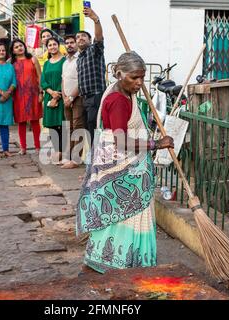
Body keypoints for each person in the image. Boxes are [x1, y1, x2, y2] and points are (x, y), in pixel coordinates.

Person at [76, 52, 175, 274]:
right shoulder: (118, 99)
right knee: (127, 216)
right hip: (124, 172)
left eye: (142, 77)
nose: (139, 83)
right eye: (134, 78)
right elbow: (120, 141)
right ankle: (125, 265)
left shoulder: (118, 91)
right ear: (119, 74)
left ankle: (104, 259)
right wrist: (156, 144)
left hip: (118, 170)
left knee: (114, 217)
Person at [76, 7, 106, 147]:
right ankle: (93, 156)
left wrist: (96, 20)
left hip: (96, 96)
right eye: (77, 37)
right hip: (85, 99)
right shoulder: (79, 58)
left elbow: (99, 39)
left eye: (83, 36)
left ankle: (97, 160)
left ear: (89, 40)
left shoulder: (94, 51)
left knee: (95, 128)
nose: (80, 38)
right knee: (88, 128)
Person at [10, 39, 43, 155]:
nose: (20, 48)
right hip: (18, 95)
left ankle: (38, 147)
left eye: (21, 45)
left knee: (35, 121)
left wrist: (41, 93)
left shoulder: (33, 59)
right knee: (21, 122)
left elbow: (40, 77)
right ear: (13, 51)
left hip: (33, 94)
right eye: (16, 47)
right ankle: (23, 148)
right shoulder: (11, 64)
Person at [41, 37, 66, 164]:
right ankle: (57, 150)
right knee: (52, 125)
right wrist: (52, 93)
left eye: (54, 44)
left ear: (59, 45)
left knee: (62, 124)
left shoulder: (64, 61)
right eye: (49, 45)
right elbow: (43, 81)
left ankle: (63, 152)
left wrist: (58, 93)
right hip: (50, 97)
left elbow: (66, 77)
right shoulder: (46, 63)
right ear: (47, 48)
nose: (52, 47)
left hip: (62, 96)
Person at [61, 35, 82, 169]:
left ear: (76, 44)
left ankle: (76, 159)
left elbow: (82, 81)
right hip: (66, 99)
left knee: (78, 127)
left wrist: (71, 97)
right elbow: (63, 80)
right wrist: (64, 97)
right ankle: (68, 157)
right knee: (68, 128)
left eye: (72, 43)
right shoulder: (65, 61)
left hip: (78, 98)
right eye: (67, 43)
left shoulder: (80, 60)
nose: (69, 45)